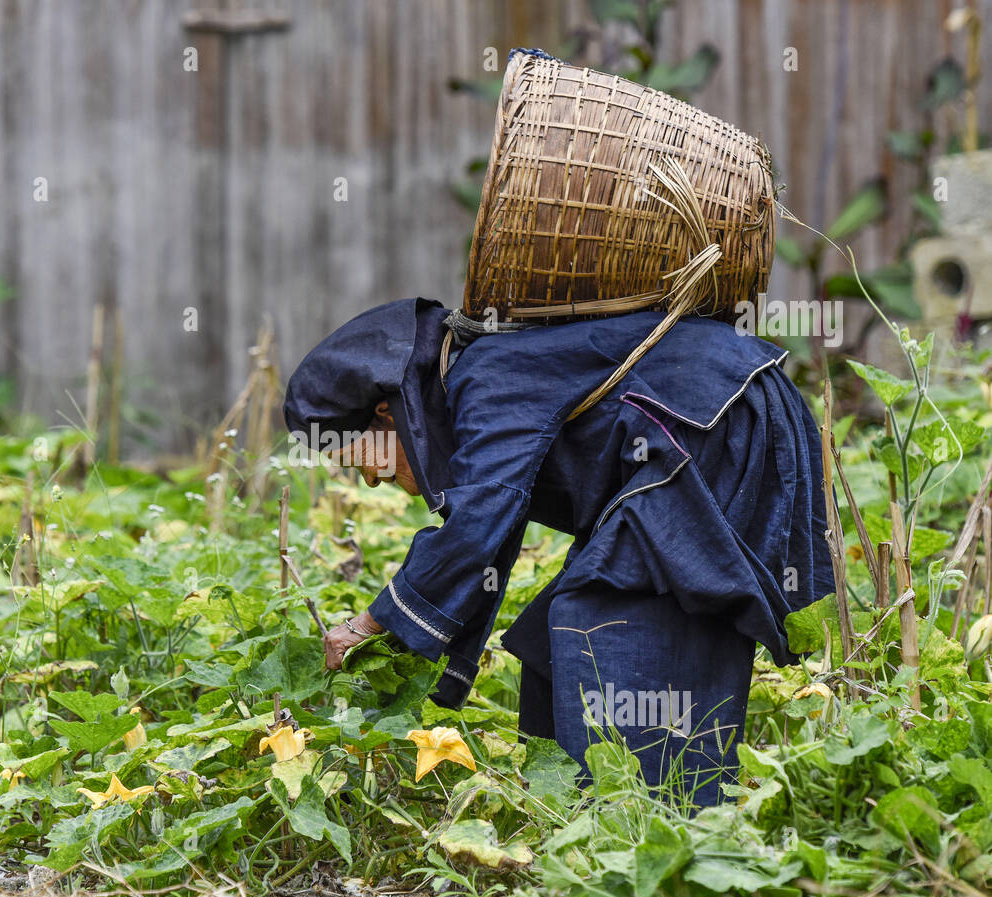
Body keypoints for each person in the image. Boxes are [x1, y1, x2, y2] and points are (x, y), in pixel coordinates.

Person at [283, 297, 834, 807]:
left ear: (386, 412)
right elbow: (490, 537)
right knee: (549, 643)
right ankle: (572, 810)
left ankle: (652, 819)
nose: (372, 482)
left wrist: (369, 623)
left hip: (716, 423)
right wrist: (434, 683)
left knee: (602, 621)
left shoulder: (485, 373)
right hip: (711, 421)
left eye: (360, 460)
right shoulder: (479, 378)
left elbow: (478, 522)